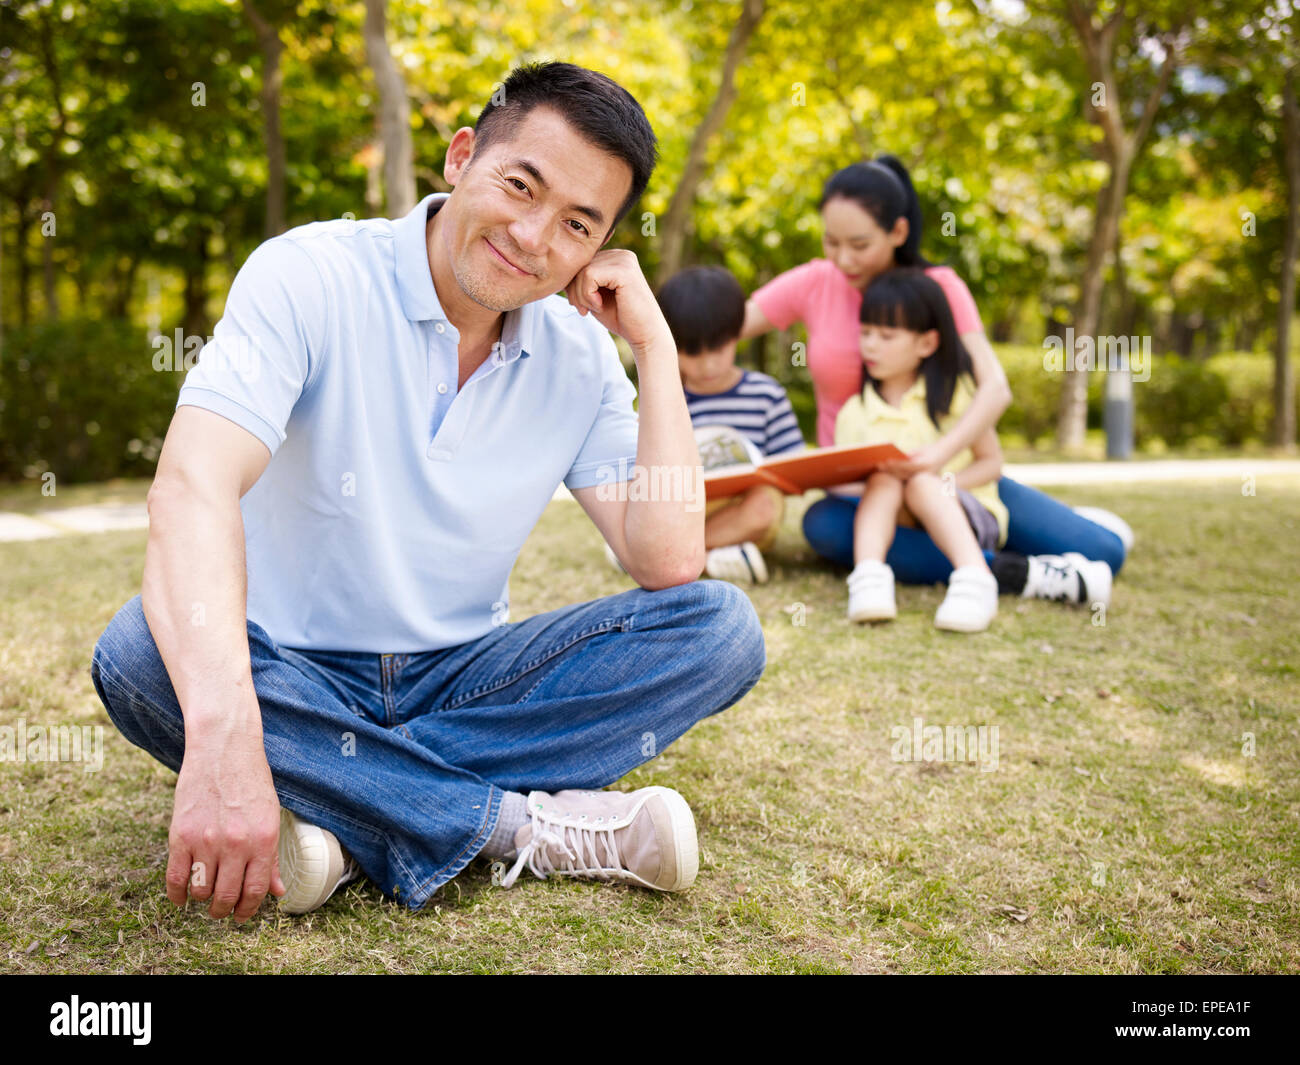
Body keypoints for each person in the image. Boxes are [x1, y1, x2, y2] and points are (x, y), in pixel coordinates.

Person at [89, 62, 766, 922]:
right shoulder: (308, 275)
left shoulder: (582, 350)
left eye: (575, 225)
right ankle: (517, 826)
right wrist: (224, 731)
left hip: (462, 675)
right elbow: (190, 487)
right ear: (460, 158)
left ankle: (348, 805)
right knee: (137, 651)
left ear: (599, 248)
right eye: (520, 186)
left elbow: (668, 560)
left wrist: (657, 350)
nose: (531, 236)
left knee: (721, 629)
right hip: (286, 667)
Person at [739, 156, 1130, 606]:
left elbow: (994, 387)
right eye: (831, 242)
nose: (843, 258)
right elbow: (720, 327)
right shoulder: (814, 282)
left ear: (898, 233)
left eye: (860, 244)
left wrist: (936, 460)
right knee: (824, 528)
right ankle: (1014, 571)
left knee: (1104, 552)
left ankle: (1009, 544)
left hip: (950, 475)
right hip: (866, 493)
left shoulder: (938, 288)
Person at [839, 269, 1005, 632]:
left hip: (968, 513)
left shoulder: (954, 394)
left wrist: (943, 484)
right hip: (897, 519)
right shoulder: (855, 411)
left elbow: (992, 463)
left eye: (886, 336)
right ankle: (869, 577)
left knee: (921, 482)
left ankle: (975, 579)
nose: (870, 345)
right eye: (865, 332)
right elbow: (847, 481)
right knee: (883, 479)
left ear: (926, 344)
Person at [658, 265, 804, 584]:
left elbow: (793, 468)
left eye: (718, 348)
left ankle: (667, 558)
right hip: (688, 510)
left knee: (764, 504)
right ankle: (716, 560)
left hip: (746, 515)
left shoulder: (766, 395)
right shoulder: (665, 400)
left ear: (737, 333)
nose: (708, 364)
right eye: (692, 353)